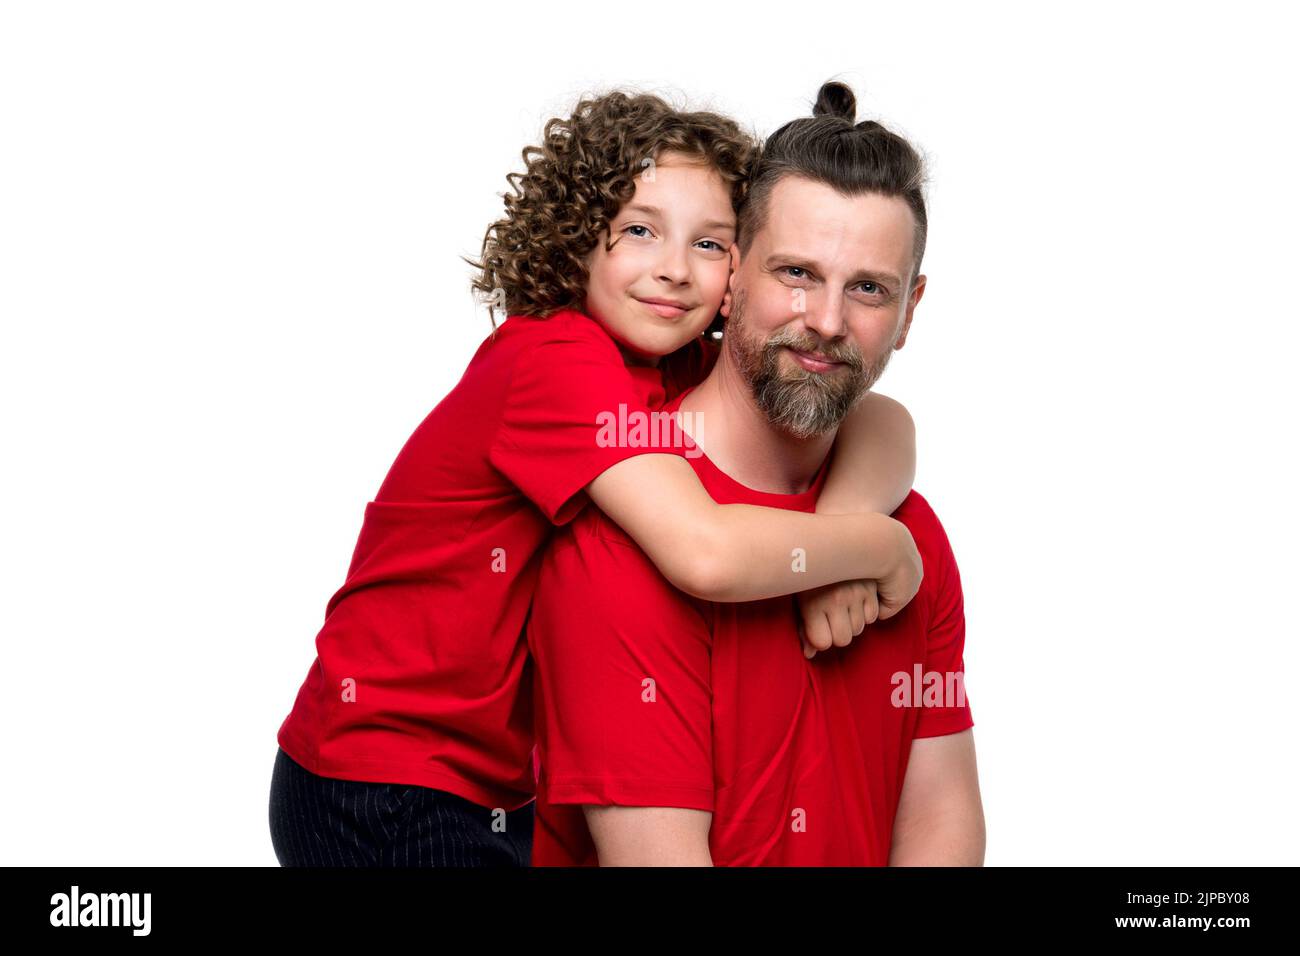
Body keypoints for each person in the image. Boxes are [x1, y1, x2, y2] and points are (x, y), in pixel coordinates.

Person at [269, 87, 924, 866]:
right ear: (579, 236)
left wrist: (836, 528)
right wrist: (880, 550)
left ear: (740, 269)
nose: (674, 271)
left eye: (709, 244)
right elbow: (704, 550)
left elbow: (881, 420)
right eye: (640, 231)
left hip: (500, 789)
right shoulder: (553, 361)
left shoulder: (664, 365)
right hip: (380, 775)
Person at [529, 80, 985, 866]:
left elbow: (942, 824)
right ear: (733, 271)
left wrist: (849, 539)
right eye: (797, 273)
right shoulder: (625, 541)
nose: (828, 321)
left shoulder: (905, 535)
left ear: (910, 310)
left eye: (868, 289)